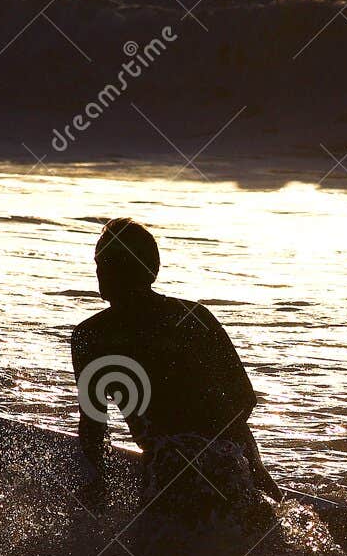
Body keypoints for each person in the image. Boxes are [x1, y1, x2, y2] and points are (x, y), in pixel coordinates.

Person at [70, 219, 283, 527]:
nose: (101, 271)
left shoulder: (92, 336)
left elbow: (93, 429)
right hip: (232, 462)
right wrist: (214, 449)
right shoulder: (195, 317)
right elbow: (244, 399)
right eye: (101, 262)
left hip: (169, 470)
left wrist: (99, 487)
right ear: (152, 269)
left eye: (108, 262)